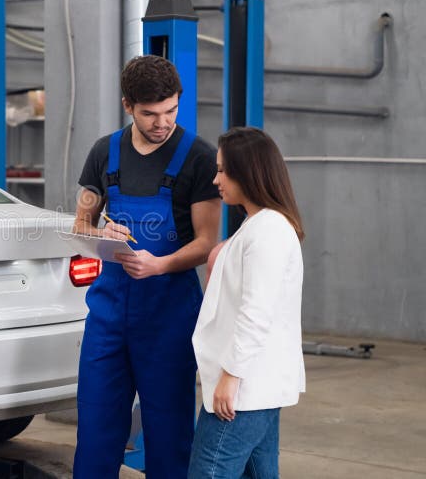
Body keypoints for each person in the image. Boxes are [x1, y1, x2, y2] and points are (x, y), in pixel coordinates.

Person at [72, 55, 221, 478]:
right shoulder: (104, 152)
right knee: (96, 426)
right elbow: (81, 224)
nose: (163, 122)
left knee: (169, 433)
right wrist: (101, 231)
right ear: (128, 106)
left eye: (171, 110)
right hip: (108, 315)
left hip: (168, 315)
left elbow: (206, 242)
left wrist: (161, 265)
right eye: (150, 114)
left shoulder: (199, 157)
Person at [188, 127, 306, 478]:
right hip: (254, 387)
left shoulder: (268, 230)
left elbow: (256, 312)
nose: (216, 179)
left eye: (223, 170)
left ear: (248, 172)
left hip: (245, 388)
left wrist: (230, 377)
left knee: (208, 472)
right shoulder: (259, 224)